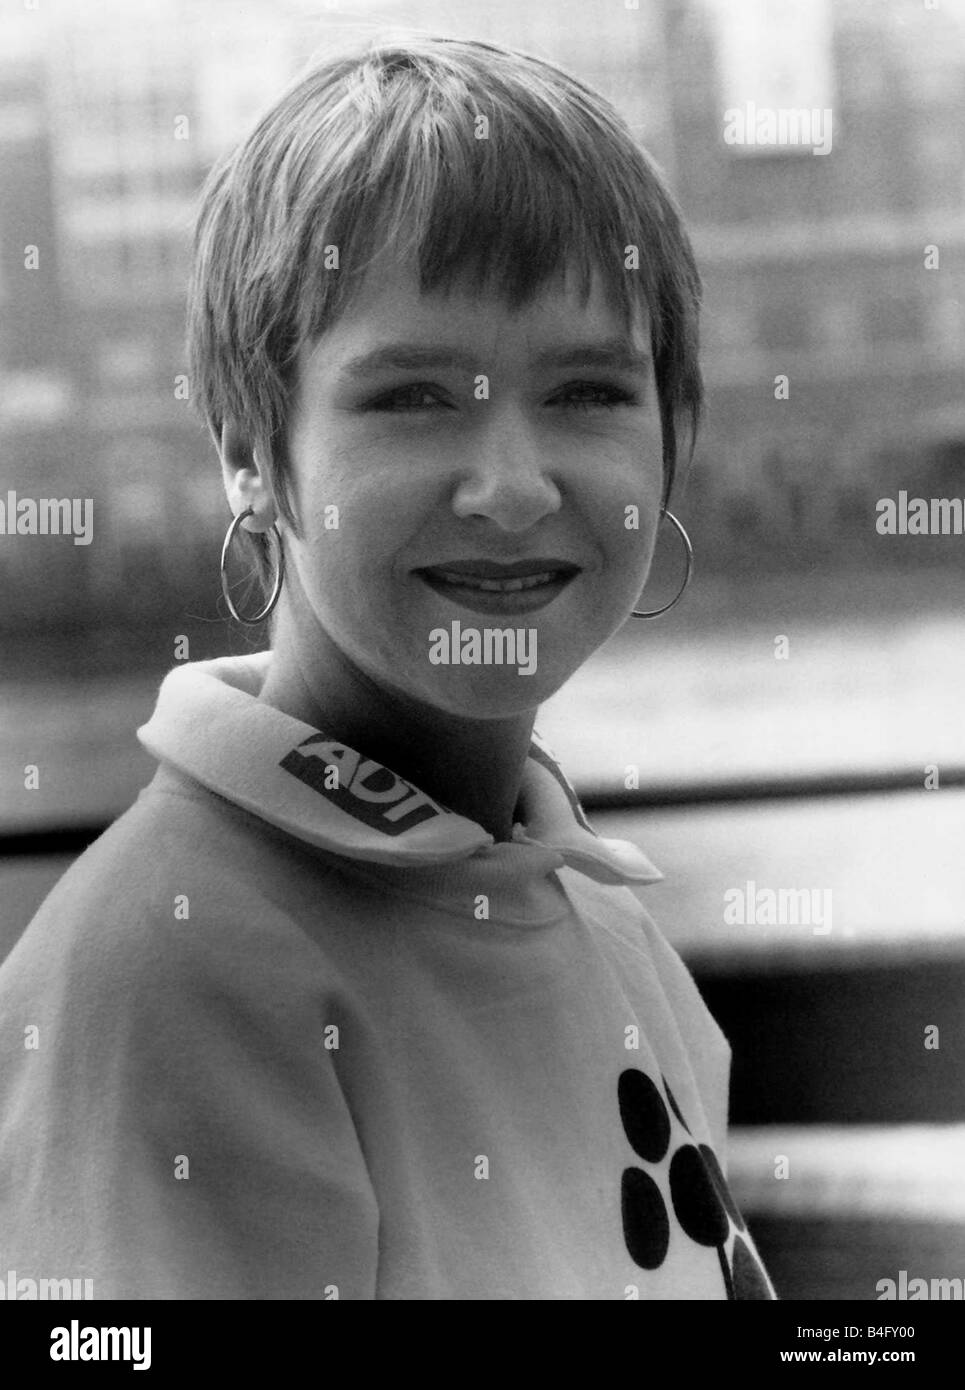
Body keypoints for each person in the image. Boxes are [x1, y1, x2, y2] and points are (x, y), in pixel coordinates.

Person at [0, 32, 774, 1300]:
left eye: (588, 391)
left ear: (671, 436)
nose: (515, 487)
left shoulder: (607, 925)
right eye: (413, 398)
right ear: (250, 447)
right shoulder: (171, 980)